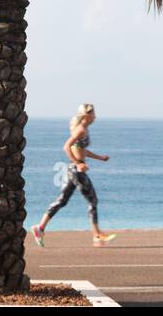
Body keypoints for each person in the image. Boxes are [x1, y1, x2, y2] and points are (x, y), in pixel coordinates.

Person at [31, 103, 116, 247]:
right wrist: (78, 163)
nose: (95, 116)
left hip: (72, 170)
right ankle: (97, 235)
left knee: (62, 201)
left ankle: (40, 228)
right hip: (76, 171)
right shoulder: (81, 130)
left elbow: (82, 150)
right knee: (93, 201)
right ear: (87, 115)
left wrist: (100, 158)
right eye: (93, 114)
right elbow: (66, 146)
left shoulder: (84, 130)